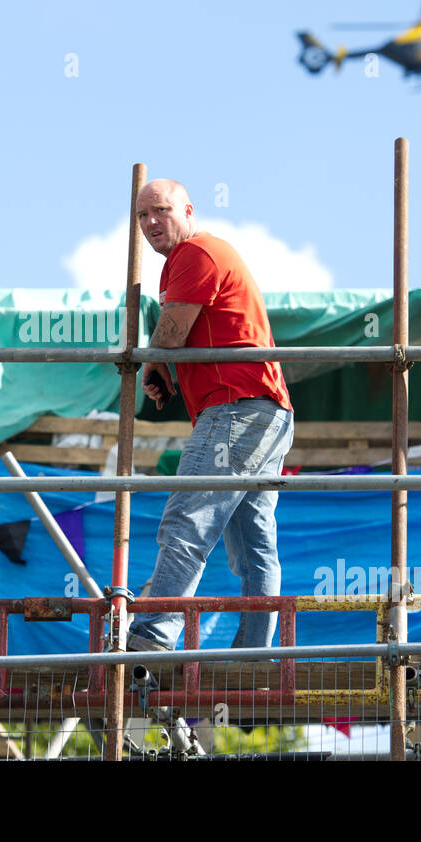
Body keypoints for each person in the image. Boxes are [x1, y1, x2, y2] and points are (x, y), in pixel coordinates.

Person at [126, 179, 294, 653]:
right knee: (254, 546)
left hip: (235, 413)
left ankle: (152, 636)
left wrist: (155, 360)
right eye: (142, 216)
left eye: (161, 210)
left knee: (187, 523)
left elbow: (171, 334)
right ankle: (255, 657)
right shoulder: (202, 255)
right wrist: (164, 361)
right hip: (264, 412)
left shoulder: (195, 253)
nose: (151, 222)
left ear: (189, 210)